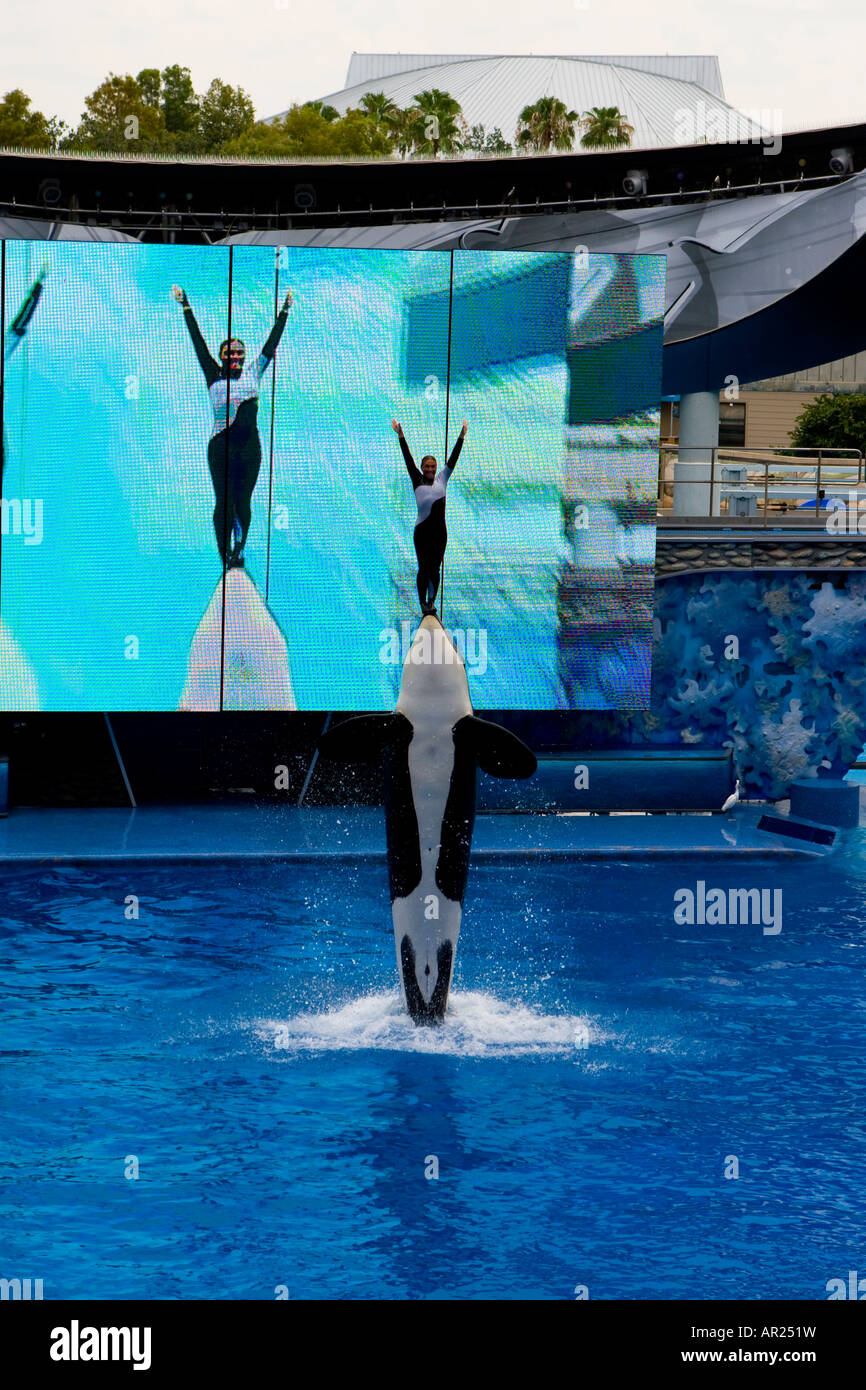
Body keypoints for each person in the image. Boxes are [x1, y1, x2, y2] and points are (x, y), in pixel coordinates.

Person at [173, 283, 293, 568]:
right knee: (224, 502)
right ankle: (223, 553)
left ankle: (239, 549)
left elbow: (271, 343)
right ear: (223, 357)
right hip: (221, 447)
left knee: (243, 502)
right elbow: (198, 342)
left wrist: (285, 312)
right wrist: (186, 306)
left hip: (251, 448)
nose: (236, 356)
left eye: (240, 352)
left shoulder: (255, 371)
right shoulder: (212, 375)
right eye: (230, 353)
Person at [391, 417, 468, 615]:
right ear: (422, 468)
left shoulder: (443, 478)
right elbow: (407, 457)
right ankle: (423, 603)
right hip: (422, 532)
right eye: (427, 467)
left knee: (435, 569)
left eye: (433, 467)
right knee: (423, 568)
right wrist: (400, 434)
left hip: (440, 533)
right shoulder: (416, 479)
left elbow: (453, 459)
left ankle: (431, 602)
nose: (431, 470)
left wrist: (461, 436)